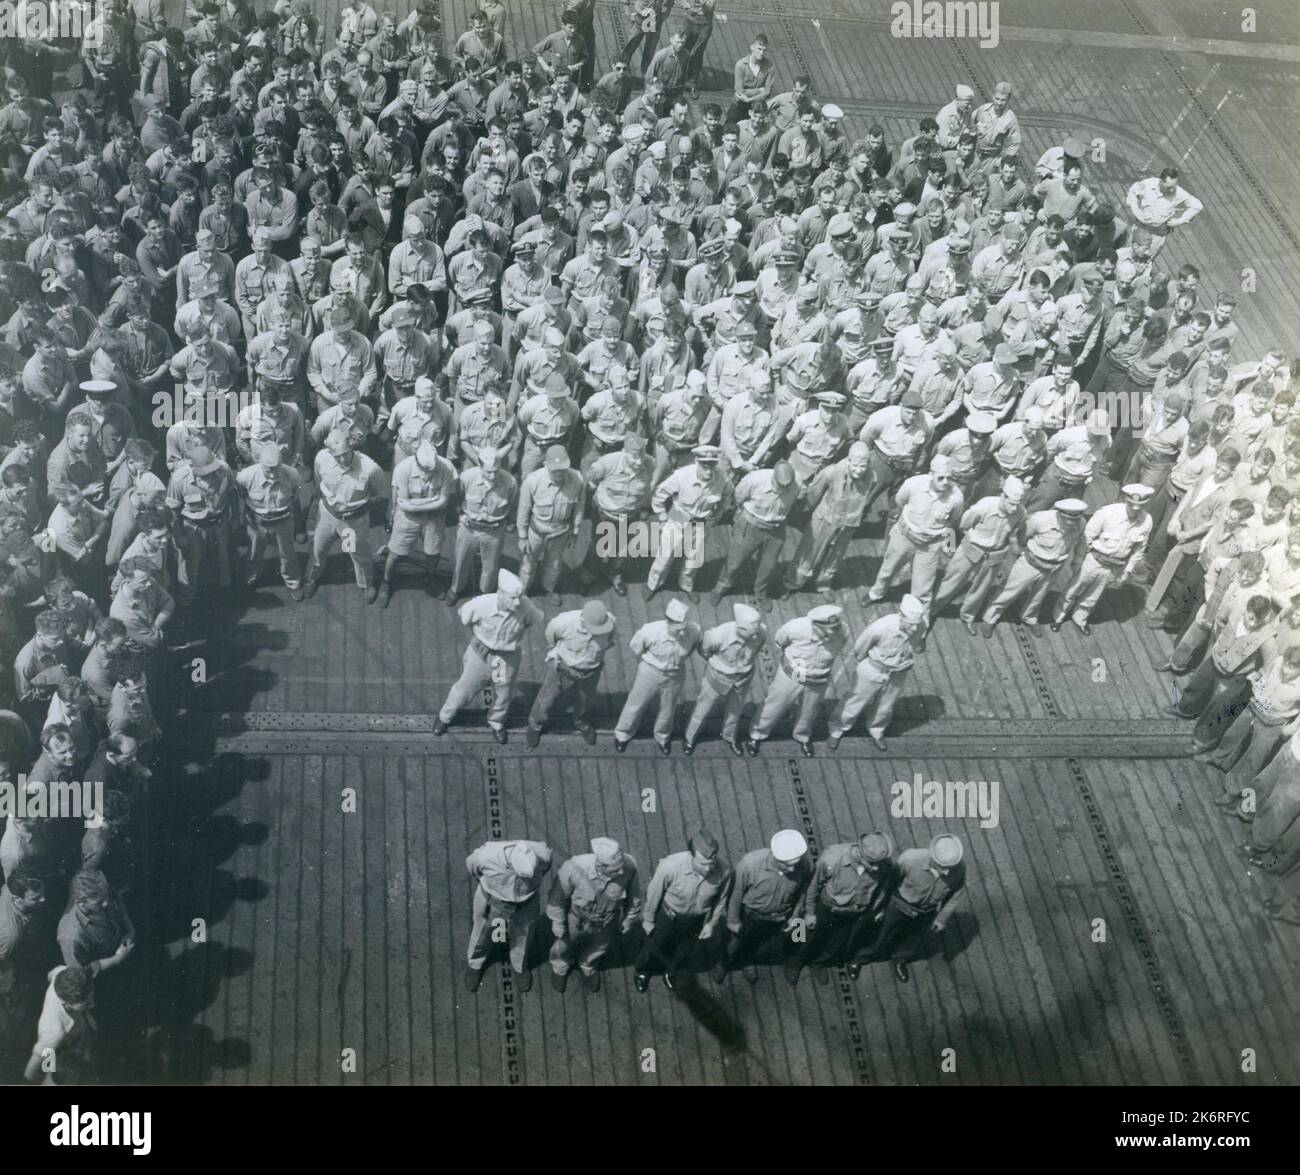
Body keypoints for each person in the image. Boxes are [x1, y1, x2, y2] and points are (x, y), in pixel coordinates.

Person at [434, 569, 544, 743]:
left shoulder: (526, 607)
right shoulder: (481, 604)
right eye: (512, 598)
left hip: (504, 659)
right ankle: (444, 717)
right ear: (500, 594)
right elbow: (465, 617)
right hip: (480, 656)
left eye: (519, 597)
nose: (517, 602)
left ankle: (496, 722)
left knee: (502, 692)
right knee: (464, 690)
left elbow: (534, 619)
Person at [828, 594, 929, 751]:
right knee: (854, 701)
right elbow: (860, 648)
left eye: (916, 624)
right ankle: (837, 729)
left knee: (885, 705)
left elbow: (917, 642)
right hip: (874, 668)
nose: (915, 628)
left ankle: (876, 730)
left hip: (898, 671)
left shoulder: (921, 624)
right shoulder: (881, 627)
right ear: (900, 616)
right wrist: (868, 664)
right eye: (911, 624)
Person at [634, 829, 732, 991]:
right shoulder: (670, 866)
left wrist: (710, 924)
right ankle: (642, 971)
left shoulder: (725, 871)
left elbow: (721, 899)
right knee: (654, 945)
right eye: (703, 864)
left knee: (684, 950)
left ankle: (671, 972)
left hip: (697, 920)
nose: (708, 869)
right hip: (667, 916)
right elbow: (654, 892)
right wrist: (649, 919)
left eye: (711, 864)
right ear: (691, 855)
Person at [746, 604, 848, 757]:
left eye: (835, 628)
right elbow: (780, 640)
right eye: (828, 631)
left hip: (818, 677)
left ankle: (802, 736)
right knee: (775, 705)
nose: (832, 633)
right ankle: (757, 734)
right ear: (816, 625)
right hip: (795, 673)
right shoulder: (796, 627)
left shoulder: (842, 630)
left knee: (809, 710)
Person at [714, 829, 811, 986]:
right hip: (750, 915)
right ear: (775, 855)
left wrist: (795, 916)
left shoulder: (804, 866)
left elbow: (802, 893)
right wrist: (733, 920)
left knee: (759, 942)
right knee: (733, 943)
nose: (793, 870)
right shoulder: (749, 865)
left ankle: (747, 961)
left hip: (779, 917)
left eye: (796, 864)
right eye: (788, 865)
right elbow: (736, 894)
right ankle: (722, 963)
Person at [546, 837, 640, 993]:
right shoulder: (573, 867)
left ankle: (588, 965)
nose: (621, 871)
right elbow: (557, 898)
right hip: (575, 916)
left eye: (621, 866)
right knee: (562, 944)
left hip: (608, 918)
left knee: (600, 946)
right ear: (600, 865)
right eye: (616, 869)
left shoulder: (629, 866)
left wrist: (629, 919)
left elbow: (634, 896)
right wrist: (558, 922)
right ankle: (559, 967)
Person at [801, 832, 898, 981]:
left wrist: (876, 910)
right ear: (859, 852)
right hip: (827, 908)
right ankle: (797, 961)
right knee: (810, 936)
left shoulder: (884, 865)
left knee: (837, 941)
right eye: (872, 864)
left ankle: (818, 963)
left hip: (854, 912)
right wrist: (809, 913)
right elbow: (813, 886)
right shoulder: (832, 859)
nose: (877, 869)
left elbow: (882, 891)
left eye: (879, 864)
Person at [869, 834, 966, 983]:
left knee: (912, 938)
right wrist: (880, 908)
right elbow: (890, 883)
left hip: (926, 912)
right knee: (881, 931)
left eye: (949, 867)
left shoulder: (959, 870)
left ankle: (900, 959)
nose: (946, 871)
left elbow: (955, 896)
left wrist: (941, 919)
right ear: (932, 855)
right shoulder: (910, 859)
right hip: (898, 904)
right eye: (942, 865)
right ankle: (865, 956)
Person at [464, 838, 554, 992]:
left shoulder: (543, 854)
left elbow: (545, 869)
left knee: (524, 936)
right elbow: (473, 868)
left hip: (527, 904)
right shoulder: (486, 856)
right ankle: (475, 964)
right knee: (482, 933)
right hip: (492, 902)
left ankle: (519, 966)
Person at [613, 597, 700, 753]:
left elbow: (693, 647)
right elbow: (636, 649)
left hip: (675, 673)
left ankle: (662, 737)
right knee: (635, 704)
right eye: (678, 628)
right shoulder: (649, 631)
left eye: (683, 627)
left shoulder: (694, 631)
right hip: (650, 672)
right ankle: (622, 734)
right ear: (668, 621)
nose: (681, 632)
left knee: (668, 708)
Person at [526, 600, 616, 746]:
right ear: (582, 620)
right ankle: (535, 724)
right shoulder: (563, 623)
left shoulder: (610, 621)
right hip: (563, 669)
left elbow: (610, 640)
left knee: (586, 700)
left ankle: (581, 722)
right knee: (547, 697)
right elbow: (550, 636)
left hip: (591, 671)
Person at [683, 602, 765, 756]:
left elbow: (758, 647)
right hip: (717, 677)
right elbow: (704, 650)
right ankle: (689, 738)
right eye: (751, 633)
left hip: (742, 679)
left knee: (735, 711)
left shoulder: (761, 632)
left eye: (756, 631)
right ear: (739, 628)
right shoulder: (717, 636)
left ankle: (729, 737)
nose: (755, 636)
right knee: (702, 709)